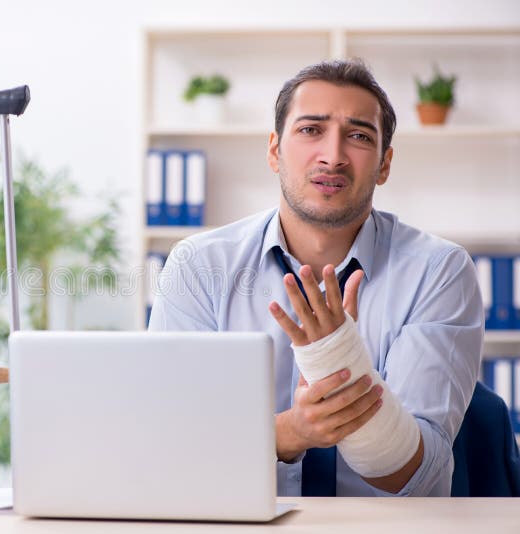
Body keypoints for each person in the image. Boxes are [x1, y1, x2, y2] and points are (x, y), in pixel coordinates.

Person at [147, 59, 483, 497]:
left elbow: (419, 479)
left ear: (384, 164)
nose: (333, 155)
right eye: (310, 130)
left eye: (360, 136)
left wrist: (337, 369)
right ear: (274, 151)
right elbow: (170, 445)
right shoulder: (198, 265)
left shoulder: (439, 272)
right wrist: (293, 430)